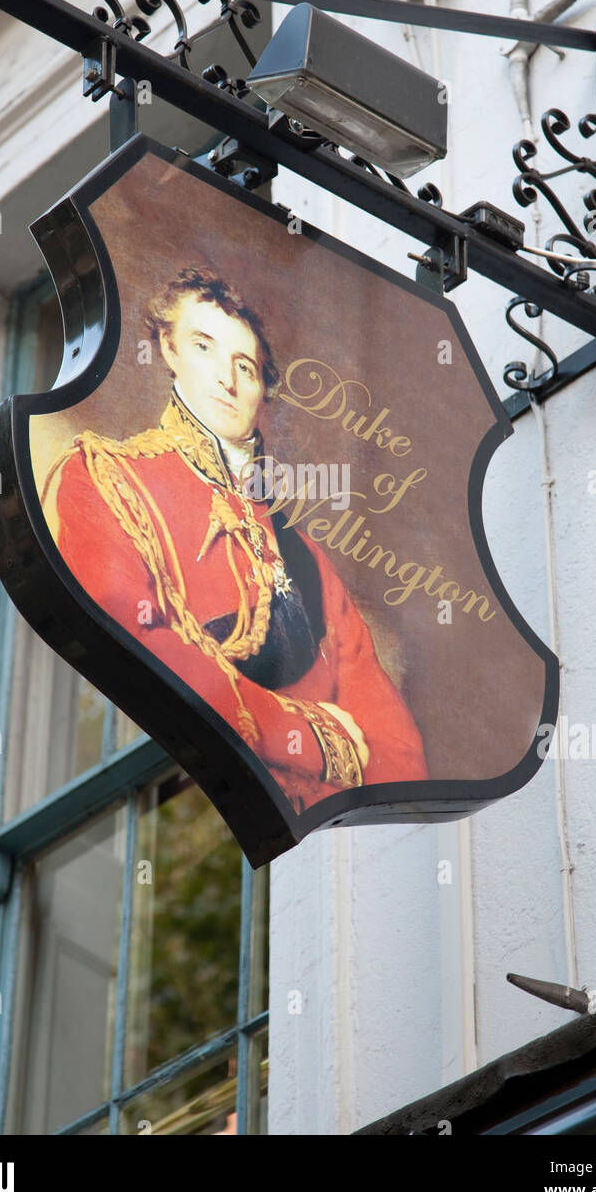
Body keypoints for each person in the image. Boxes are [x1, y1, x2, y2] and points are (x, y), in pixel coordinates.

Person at [46, 266, 428, 813]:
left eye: (244, 366)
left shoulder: (304, 555)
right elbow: (141, 643)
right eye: (204, 346)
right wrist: (318, 739)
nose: (227, 379)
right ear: (169, 349)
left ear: (261, 393)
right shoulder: (107, 479)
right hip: (193, 811)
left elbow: (393, 745)